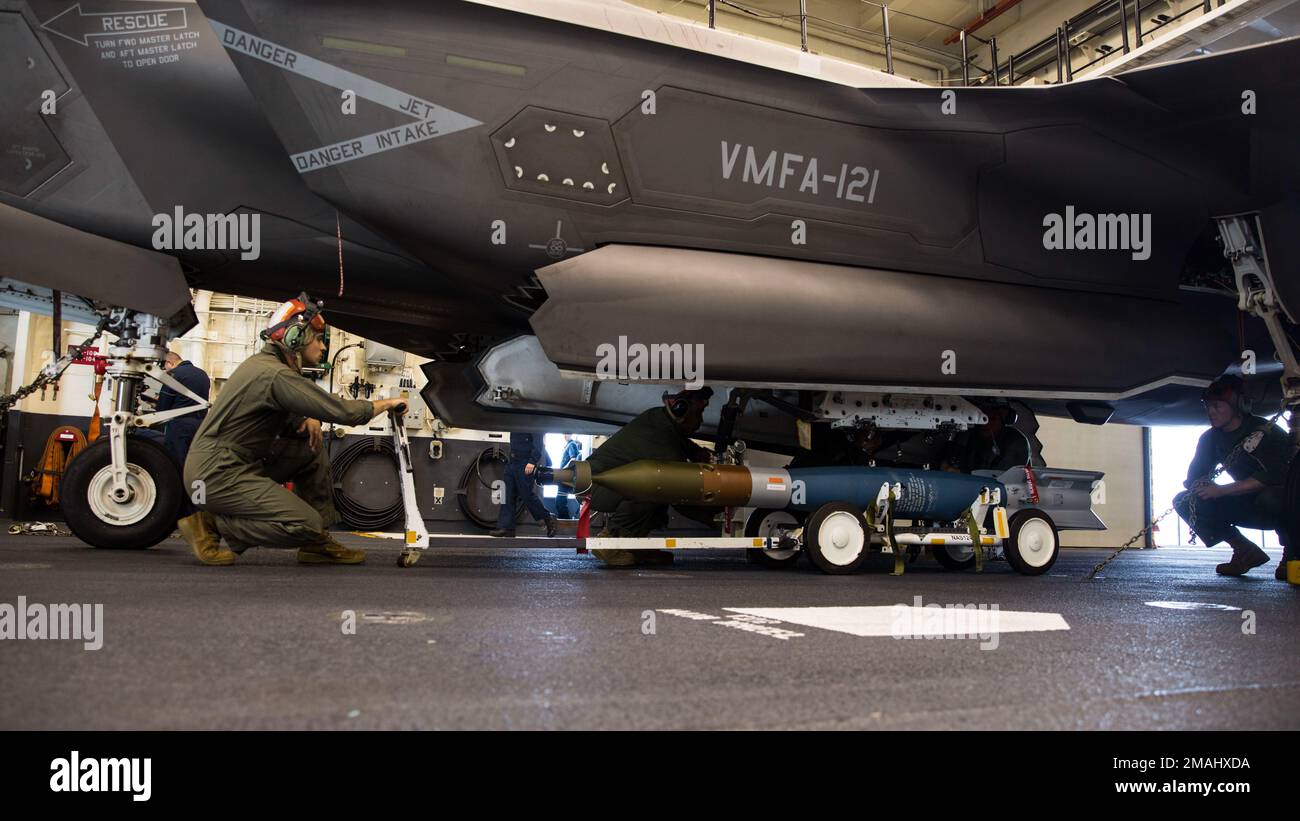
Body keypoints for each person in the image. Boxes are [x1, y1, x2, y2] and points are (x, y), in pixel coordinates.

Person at [177, 293, 407, 566]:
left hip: (234, 461)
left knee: (310, 449)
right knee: (304, 523)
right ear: (295, 337)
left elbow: (269, 411)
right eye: (319, 339)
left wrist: (303, 419)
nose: (323, 348)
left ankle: (317, 544)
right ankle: (212, 525)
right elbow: (344, 412)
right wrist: (389, 402)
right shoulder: (274, 374)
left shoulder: (268, 368)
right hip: (217, 472)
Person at [1172, 375, 1293, 578]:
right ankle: (1244, 551)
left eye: (1217, 406)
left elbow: (1277, 475)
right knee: (1185, 500)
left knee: (1274, 497)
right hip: (1248, 503)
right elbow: (1195, 475)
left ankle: (1292, 552)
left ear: (1237, 405)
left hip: (1279, 503)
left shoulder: (1264, 432)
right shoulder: (1211, 438)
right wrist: (1201, 485)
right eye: (1208, 407)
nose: (1211, 412)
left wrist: (1221, 491)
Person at [583, 387, 718, 567]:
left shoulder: (661, 420)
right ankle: (610, 543)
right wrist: (716, 515)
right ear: (681, 408)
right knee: (655, 486)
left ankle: (635, 546)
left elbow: (682, 443)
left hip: (600, 482)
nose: (700, 420)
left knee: (654, 489)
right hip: (597, 485)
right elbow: (684, 491)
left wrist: (698, 453)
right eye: (699, 412)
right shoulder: (659, 432)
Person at [489, 431, 558, 538]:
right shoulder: (514, 421)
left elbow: (539, 442)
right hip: (512, 461)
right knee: (507, 494)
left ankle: (547, 518)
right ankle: (506, 528)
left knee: (526, 495)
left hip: (525, 462)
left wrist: (532, 461)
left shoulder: (531, 420)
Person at [940, 405, 1029, 473]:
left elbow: (1003, 477)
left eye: (992, 419)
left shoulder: (1015, 441)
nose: (985, 424)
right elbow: (951, 453)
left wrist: (961, 473)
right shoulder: (969, 433)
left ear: (1001, 421)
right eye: (982, 419)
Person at [554, 434, 582, 519]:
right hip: (565, 478)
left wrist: (562, 471)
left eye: (568, 433)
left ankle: (565, 522)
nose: (565, 435)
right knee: (560, 502)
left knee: (560, 502)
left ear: (571, 434)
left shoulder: (571, 444)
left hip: (565, 478)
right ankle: (565, 521)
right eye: (564, 433)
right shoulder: (569, 445)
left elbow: (573, 460)